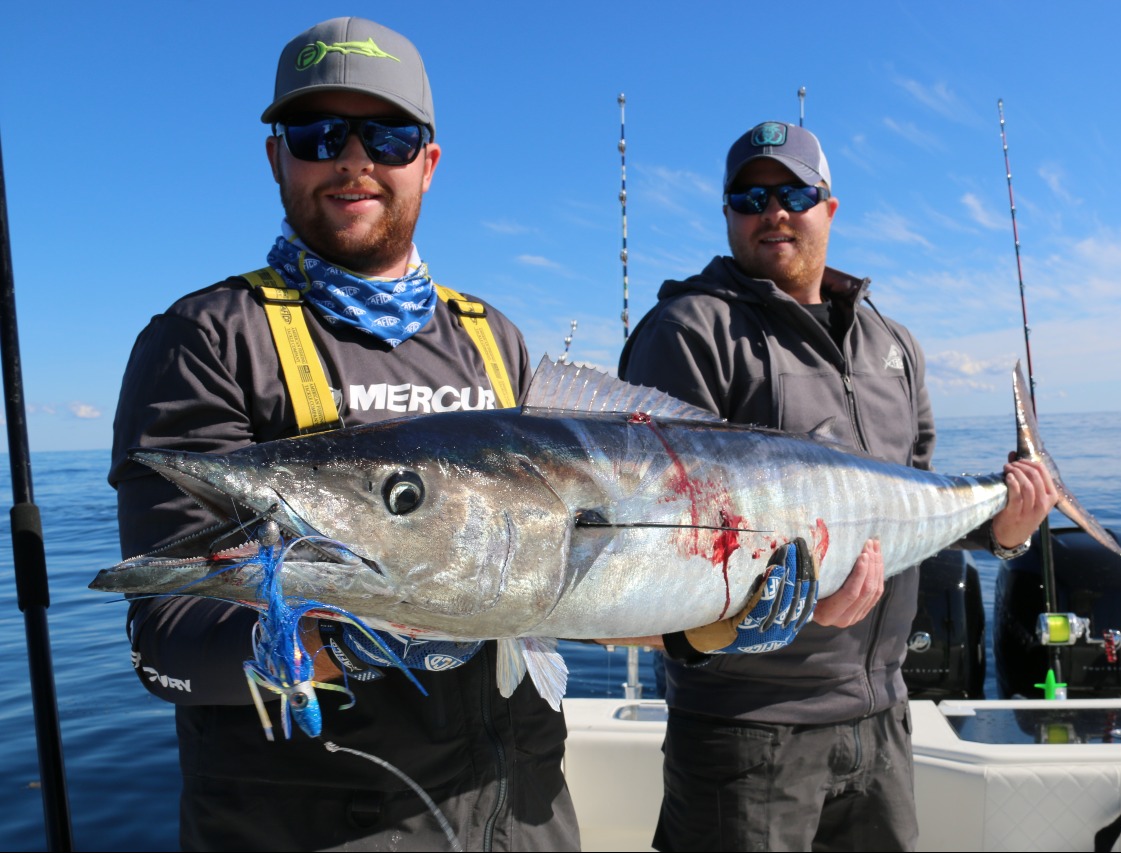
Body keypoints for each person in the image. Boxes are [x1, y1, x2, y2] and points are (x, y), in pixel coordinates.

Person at [108, 17, 577, 850]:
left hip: (522, 805)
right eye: (318, 133)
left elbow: (566, 565)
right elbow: (167, 637)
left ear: (428, 163)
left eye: (388, 135)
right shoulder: (207, 339)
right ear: (276, 157)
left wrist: (708, 618)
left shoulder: (495, 338)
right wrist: (335, 641)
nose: (354, 159)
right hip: (316, 827)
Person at [618, 121, 1059, 852]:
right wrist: (797, 611)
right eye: (749, 196)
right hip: (748, 727)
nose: (774, 210)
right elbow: (661, 545)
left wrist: (1004, 530)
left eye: (794, 191)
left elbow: (913, 500)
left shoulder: (892, 344)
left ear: (830, 206)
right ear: (728, 214)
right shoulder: (689, 331)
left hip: (882, 715)